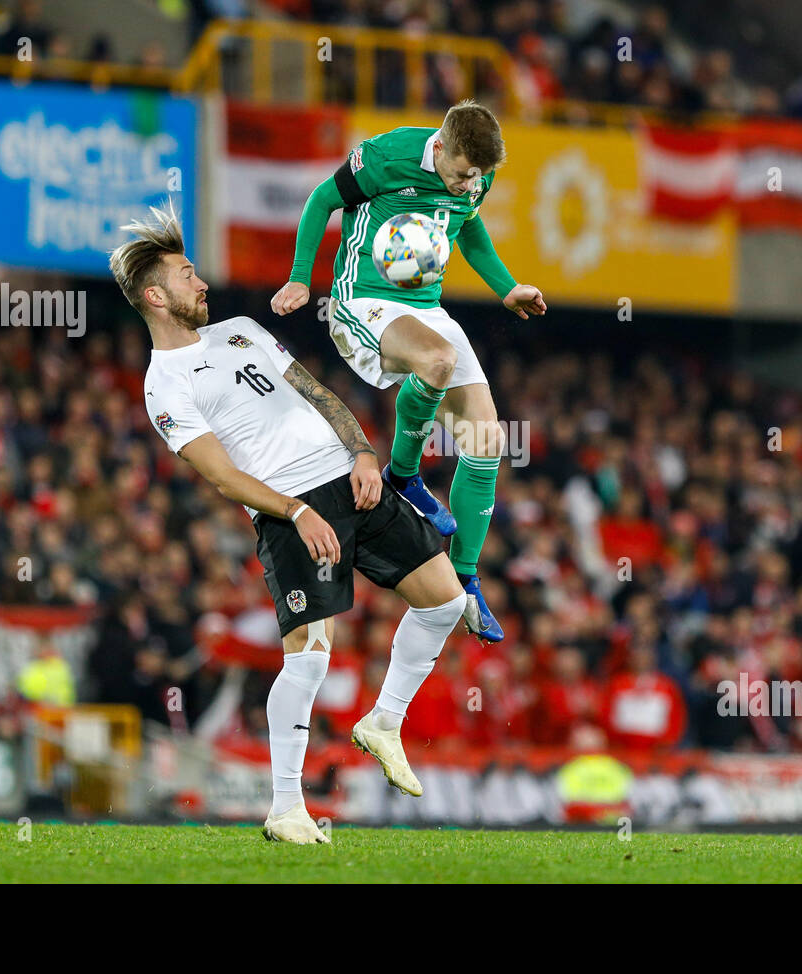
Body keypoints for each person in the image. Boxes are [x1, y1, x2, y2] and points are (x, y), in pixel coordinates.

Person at [110, 204, 468, 845]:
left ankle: (384, 722)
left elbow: (317, 391)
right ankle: (286, 808)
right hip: (292, 510)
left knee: (447, 601)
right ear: (156, 295)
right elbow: (221, 476)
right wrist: (296, 511)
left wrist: (362, 450)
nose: (202, 284)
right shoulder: (163, 384)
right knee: (310, 657)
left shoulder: (241, 329)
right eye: (188, 275)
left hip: (354, 482)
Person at [271, 99, 548, 643]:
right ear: (440, 147)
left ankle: (465, 578)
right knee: (438, 360)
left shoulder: (475, 176)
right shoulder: (387, 154)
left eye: (479, 177)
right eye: (463, 172)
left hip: (425, 309)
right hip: (362, 301)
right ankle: (403, 473)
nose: (469, 183)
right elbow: (322, 199)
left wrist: (507, 287)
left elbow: (468, 230)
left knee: (486, 439)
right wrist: (301, 276)